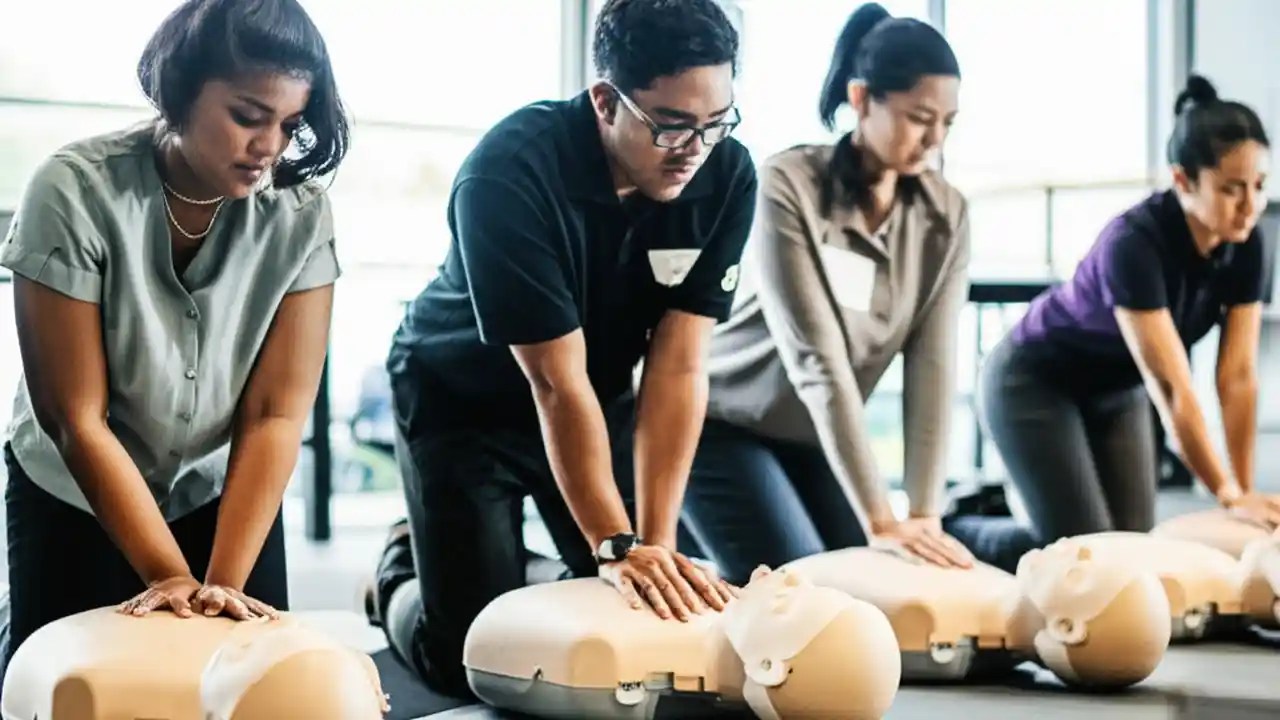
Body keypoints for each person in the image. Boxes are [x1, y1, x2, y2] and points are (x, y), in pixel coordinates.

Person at [374, 0, 756, 698]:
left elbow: (677, 366)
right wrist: (615, 543)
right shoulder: (508, 173)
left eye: (714, 122)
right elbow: (554, 383)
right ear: (605, 100)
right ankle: (401, 568)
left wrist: (653, 543)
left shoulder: (726, 173)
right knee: (469, 655)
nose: (694, 150)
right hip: (464, 401)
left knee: (632, 605)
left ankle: (520, 566)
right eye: (670, 127)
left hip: (596, 392)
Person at [0, 0, 347, 674]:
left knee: (245, 679)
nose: (270, 146)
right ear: (180, 90)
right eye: (248, 117)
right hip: (75, 487)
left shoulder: (302, 214)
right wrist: (167, 577)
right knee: (65, 684)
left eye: (290, 124)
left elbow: (276, 414)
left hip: (219, 490)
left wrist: (219, 589)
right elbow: (75, 418)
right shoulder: (71, 191)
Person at [689, 3, 977, 582]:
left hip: (813, 441)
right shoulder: (788, 183)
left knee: (881, 583)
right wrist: (880, 520)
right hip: (722, 426)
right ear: (863, 98)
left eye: (948, 122)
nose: (934, 139)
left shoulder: (946, 214)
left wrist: (921, 517)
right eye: (920, 117)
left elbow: (933, 366)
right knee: (813, 591)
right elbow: (816, 361)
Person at [975, 74, 1279, 565]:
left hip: (1117, 389)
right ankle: (964, 525)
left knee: (1131, 552)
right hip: (1034, 380)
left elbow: (1238, 376)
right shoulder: (1133, 244)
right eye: (1231, 189)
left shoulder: (1249, 242)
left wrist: (1243, 491)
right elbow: (1177, 393)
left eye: (1259, 186)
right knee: (1083, 552)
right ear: (1183, 181)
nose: (1250, 206)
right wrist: (1225, 493)